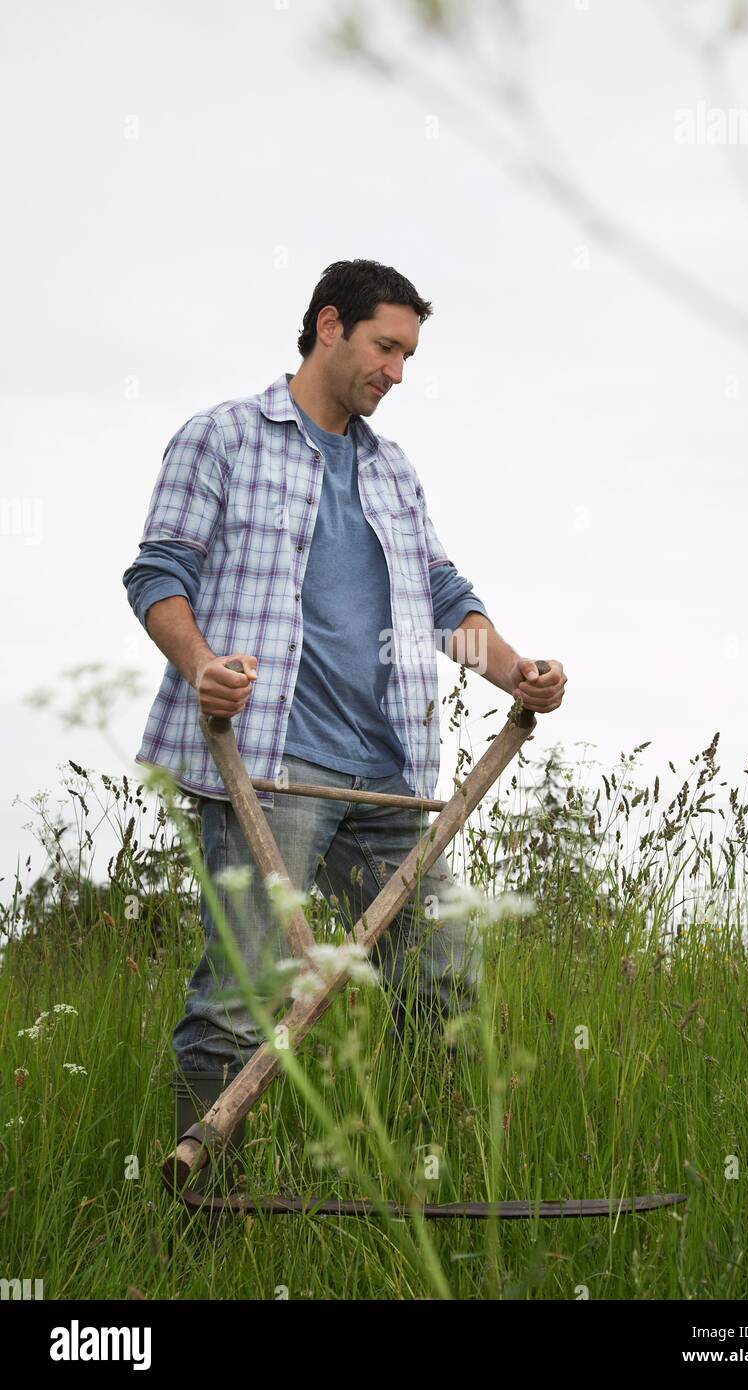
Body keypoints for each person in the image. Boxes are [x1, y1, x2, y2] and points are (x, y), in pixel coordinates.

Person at [123, 259, 567, 1176]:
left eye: (407, 354)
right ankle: (208, 1212)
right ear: (330, 325)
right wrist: (202, 666)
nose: (396, 372)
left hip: (391, 778)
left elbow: (444, 598)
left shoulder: (392, 471)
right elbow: (157, 572)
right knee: (242, 998)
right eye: (385, 347)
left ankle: (421, 1180)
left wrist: (513, 671)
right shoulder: (223, 438)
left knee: (441, 979)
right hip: (267, 765)